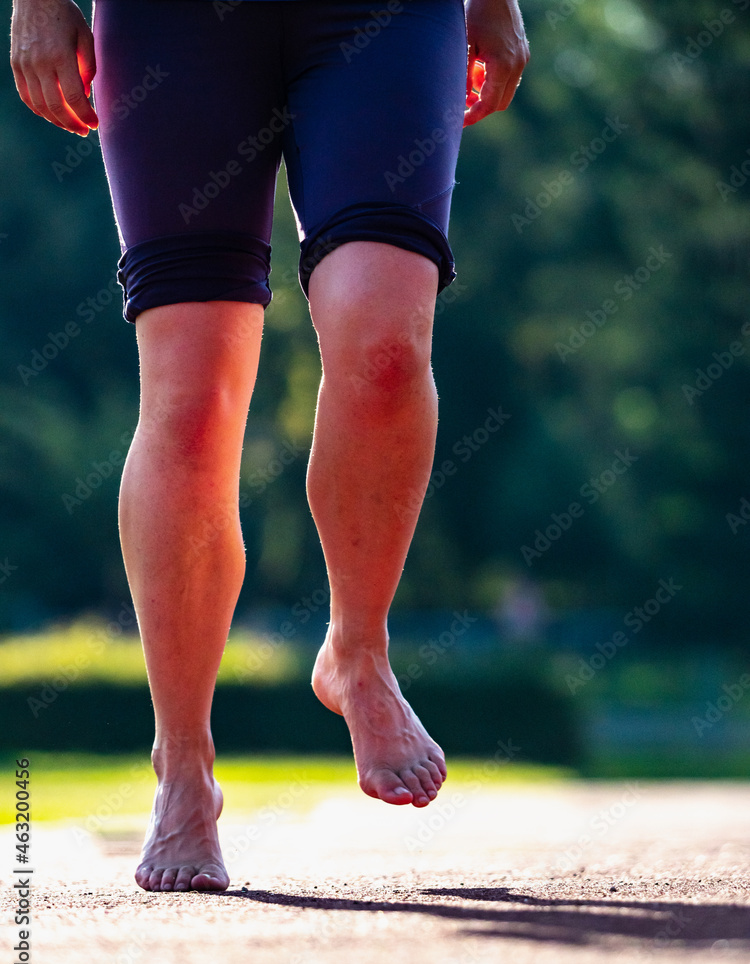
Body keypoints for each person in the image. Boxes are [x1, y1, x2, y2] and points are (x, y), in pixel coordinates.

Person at [10, 0, 529, 892]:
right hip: (172, 25)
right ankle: (182, 762)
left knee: (386, 352)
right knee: (192, 404)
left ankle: (357, 653)